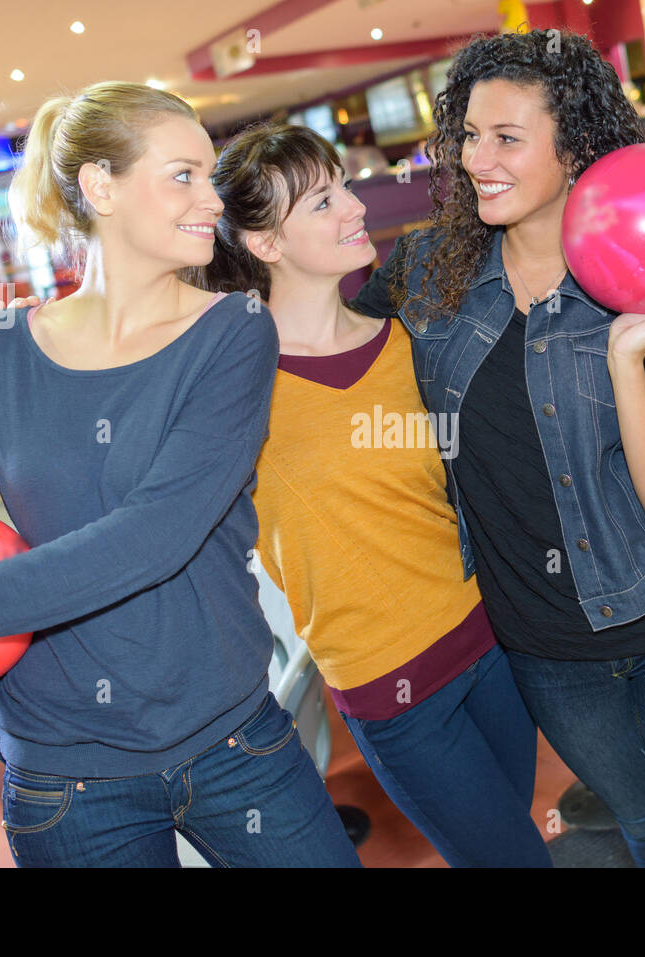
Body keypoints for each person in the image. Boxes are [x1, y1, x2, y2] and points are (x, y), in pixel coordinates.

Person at [0, 82, 360, 868]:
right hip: (63, 775)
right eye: (183, 175)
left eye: (208, 175)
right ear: (101, 187)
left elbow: (151, 536)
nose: (211, 198)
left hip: (232, 739)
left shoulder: (232, 333)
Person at [353, 30, 645, 867]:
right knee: (644, 834)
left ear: (574, 150)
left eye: (506, 138)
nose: (476, 159)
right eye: (468, 135)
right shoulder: (428, 273)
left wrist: (626, 355)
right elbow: (319, 354)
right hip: (544, 645)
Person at [201, 122, 552, 867]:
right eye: (323, 201)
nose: (356, 207)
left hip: (490, 645)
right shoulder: (231, 389)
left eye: (346, 187)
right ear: (264, 243)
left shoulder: (407, 341)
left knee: (511, 836)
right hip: (394, 692)